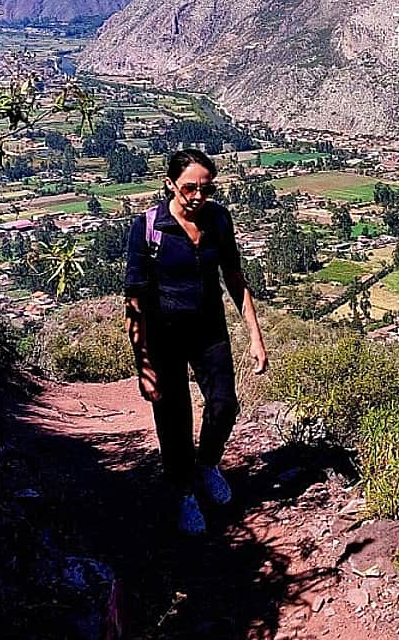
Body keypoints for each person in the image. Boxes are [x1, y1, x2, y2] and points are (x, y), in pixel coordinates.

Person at [124, 148, 267, 535]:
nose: (198, 196)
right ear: (170, 184)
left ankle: (207, 465)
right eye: (190, 188)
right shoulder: (149, 227)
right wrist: (145, 365)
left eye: (206, 187)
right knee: (174, 419)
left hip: (209, 330)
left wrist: (255, 335)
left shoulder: (218, 220)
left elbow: (234, 278)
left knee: (224, 404)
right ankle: (184, 491)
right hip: (163, 335)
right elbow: (134, 299)